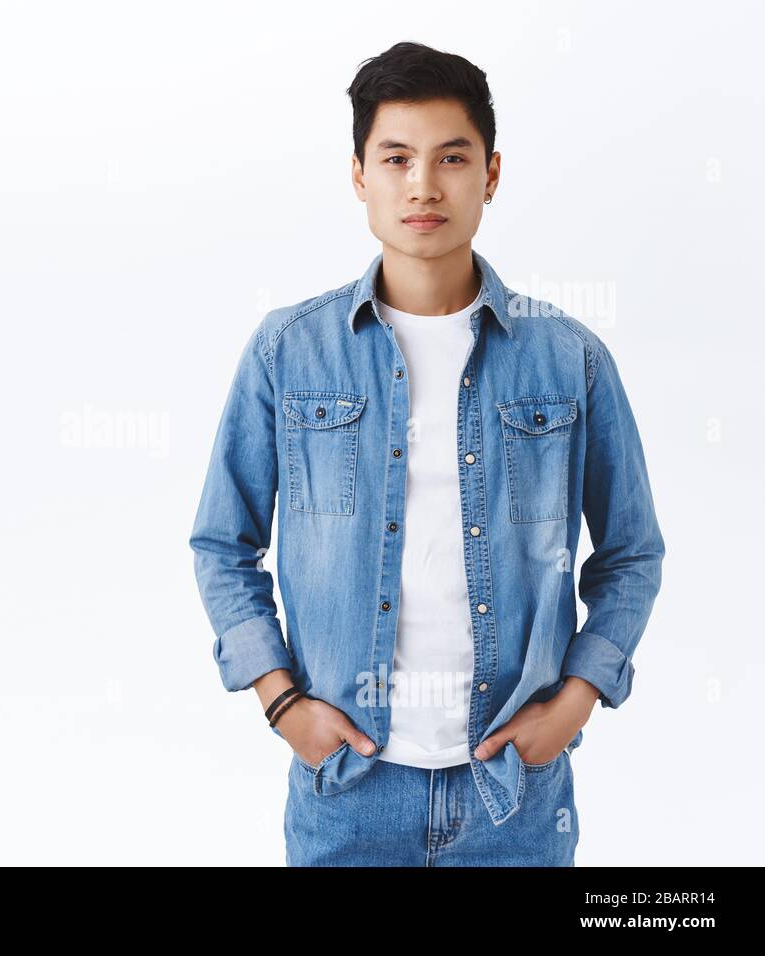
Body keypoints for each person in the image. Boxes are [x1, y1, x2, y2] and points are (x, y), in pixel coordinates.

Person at [187, 41, 664, 866]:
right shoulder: (288, 353)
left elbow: (631, 552)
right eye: (396, 157)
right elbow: (221, 545)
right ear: (358, 173)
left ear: (492, 173)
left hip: (513, 794)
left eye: (451, 157)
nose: (423, 184)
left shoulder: (568, 358)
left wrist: (578, 700)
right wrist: (282, 704)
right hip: (347, 790)